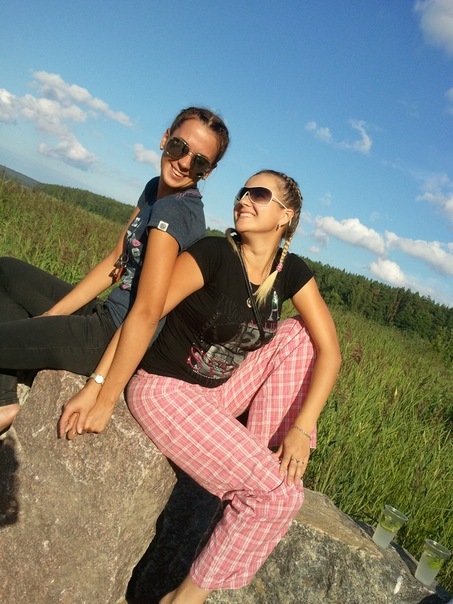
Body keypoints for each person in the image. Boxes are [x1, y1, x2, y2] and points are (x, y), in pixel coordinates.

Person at [60, 169, 341, 603]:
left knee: (300, 335)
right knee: (281, 497)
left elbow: (330, 351)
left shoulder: (290, 271)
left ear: (286, 216)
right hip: (166, 389)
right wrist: (101, 390)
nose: (243, 199)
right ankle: (183, 598)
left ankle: (255, 462)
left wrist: (303, 429)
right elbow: (145, 313)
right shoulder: (212, 253)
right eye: (243, 191)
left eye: (258, 194)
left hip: (217, 394)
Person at [0, 106, 229, 433]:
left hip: (112, 337)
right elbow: (115, 261)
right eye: (179, 146)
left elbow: (149, 313)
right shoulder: (155, 190)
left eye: (199, 162)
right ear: (165, 138)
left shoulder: (176, 213)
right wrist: (53, 316)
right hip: (105, 313)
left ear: (208, 171)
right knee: (6, 271)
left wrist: (102, 393)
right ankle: (5, 399)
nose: (183, 163)